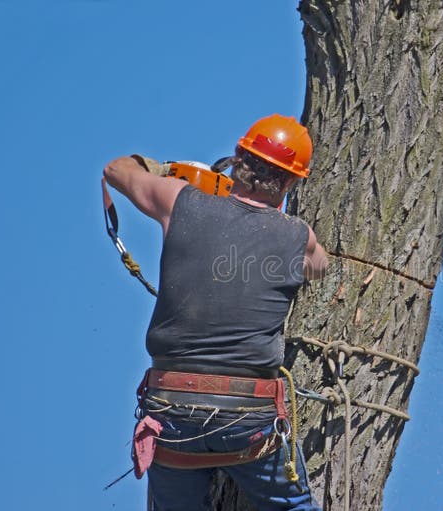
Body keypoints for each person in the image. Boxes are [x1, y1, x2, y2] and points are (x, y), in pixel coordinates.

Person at [103, 114, 328, 511]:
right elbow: (319, 265)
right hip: (248, 420)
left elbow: (116, 170)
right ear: (291, 182)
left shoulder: (178, 201)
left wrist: (166, 172)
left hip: (172, 412)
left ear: (239, 157)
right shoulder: (299, 238)